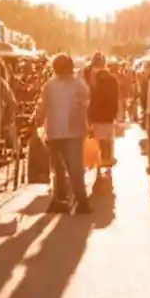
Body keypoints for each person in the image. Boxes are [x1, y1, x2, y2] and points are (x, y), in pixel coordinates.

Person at [37, 53, 92, 214]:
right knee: (74, 168)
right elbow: (85, 103)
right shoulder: (78, 85)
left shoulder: (51, 85)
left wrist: (39, 119)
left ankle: (62, 199)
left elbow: (43, 106)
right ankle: (79, 201)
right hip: (71, 132)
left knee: (59, 168)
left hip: (56, 132)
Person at [87, 53, 120, 182]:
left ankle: (99, 168)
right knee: (108, 140)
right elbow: (115, 97)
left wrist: (89, 114)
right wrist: (116, 112)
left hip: (96, 115)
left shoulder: (93, 79)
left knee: (98, 142)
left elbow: (91, 98)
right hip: (108, 115)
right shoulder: (112, 79)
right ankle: (108, 165)